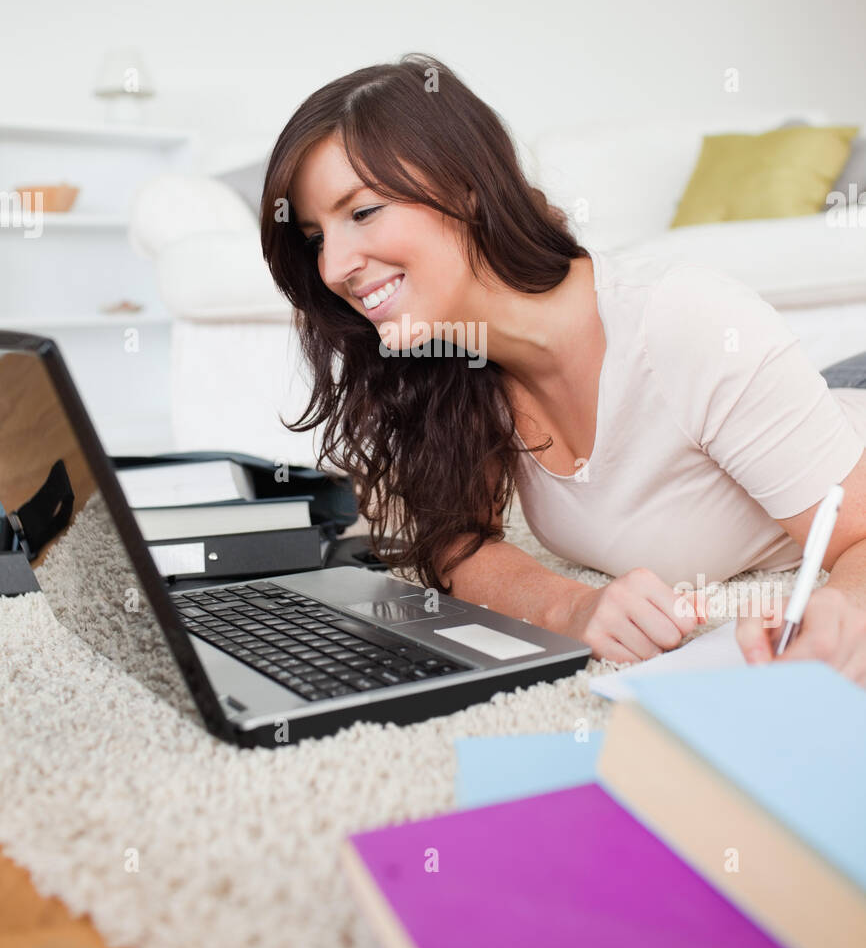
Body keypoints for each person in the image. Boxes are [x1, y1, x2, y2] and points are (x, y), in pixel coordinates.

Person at [260, 53, 866, 687]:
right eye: (316, 238)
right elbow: (456, 545)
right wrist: (570, 607)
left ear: (466, 187)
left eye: (362, 212)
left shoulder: (684, 321)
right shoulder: (453, 362)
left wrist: (841, 612)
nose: (334, 268)